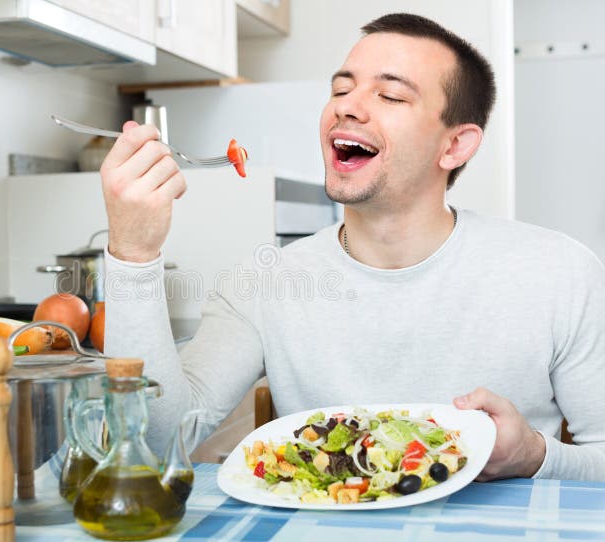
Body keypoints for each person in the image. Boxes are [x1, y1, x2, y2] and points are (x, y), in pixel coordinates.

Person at [98, 13, 605, 481]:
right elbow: (149, 444)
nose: (347, 105)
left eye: (391, 96)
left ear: (454, 145)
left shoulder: (560, 273)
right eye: (342, 88)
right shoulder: (262, 282)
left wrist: (533, 455)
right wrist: (132, 253)